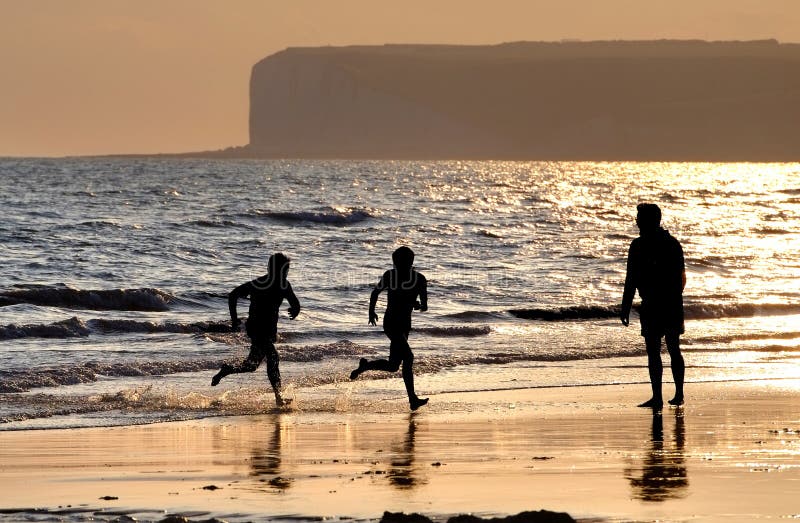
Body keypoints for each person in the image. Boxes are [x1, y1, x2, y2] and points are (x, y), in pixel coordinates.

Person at [211, 252, 300, 407]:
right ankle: (279, 398)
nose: (285, 273)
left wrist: (296, 309)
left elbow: (294, 302)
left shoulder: (285, 285)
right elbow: (233, 295)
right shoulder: (258, 284)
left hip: (269, 331)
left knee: (251, 366)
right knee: (273, 357)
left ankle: (226, 370)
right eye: (282, 270)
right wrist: (234, 319)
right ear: (271, 269)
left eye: (287, 270)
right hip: (256, 328)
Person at [621, 203, 686, 410]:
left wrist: (625, 306)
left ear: (649, 220)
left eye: (639, 218)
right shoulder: (672, 243)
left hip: (657, 304)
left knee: (658, 350)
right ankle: (674, 395)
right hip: (667, 303)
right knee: (668, 349)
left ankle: (663, 396)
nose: (636, 221)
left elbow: (631, 279)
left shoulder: (640, 245)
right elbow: (682, 279)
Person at [350, 246, 429, 411]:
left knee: (393, 366)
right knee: (408, 357)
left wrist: (417, 305)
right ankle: (413, 399)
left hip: (405, 325)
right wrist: (371, 312)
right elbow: (375, 292)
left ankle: (365, 366)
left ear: (410, 263)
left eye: (401, 264)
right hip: (391, 323)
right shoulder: (390, 276)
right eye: (396, 264)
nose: (397, 267)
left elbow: (424, 306)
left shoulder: (420, 279)